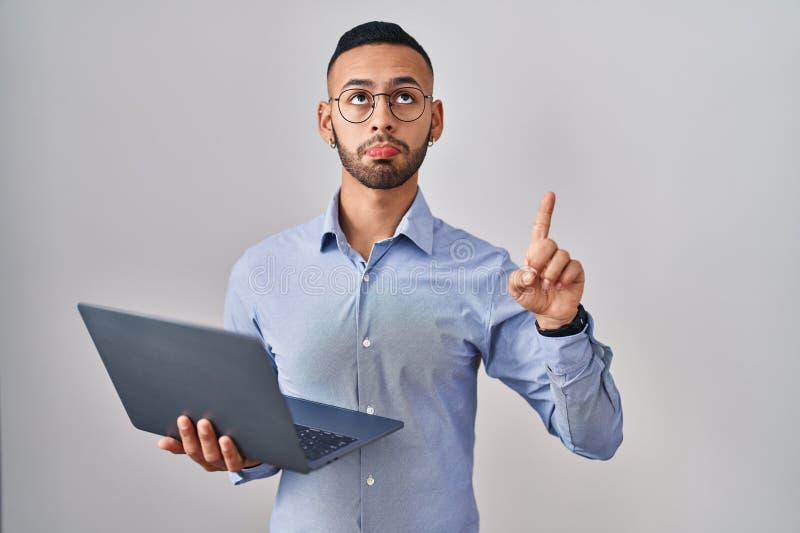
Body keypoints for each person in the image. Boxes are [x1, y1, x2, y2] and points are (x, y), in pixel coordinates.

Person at [158, 21, 623, 532]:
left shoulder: (488, 274)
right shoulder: (261, 273)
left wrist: (562, 327)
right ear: (325, 121)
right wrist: (234, 452)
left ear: (435, 119)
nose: (381, 119)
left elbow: (596, 439)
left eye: (404, 97)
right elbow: (259, 441)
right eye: (358, 99)